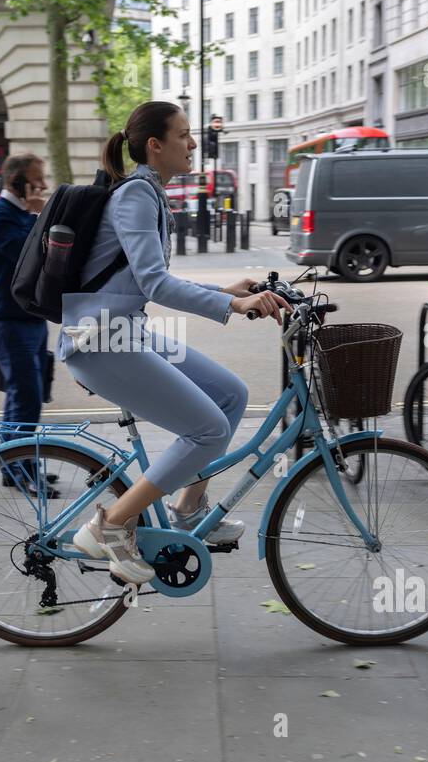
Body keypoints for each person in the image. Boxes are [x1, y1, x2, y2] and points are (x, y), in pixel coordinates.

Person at [64, 100, 292, 584]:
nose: (192, 144)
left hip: (126, 331)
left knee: (231, 394)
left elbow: (149, 279)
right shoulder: (135, 197)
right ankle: (112, 524)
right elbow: (155, 284)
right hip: (101, 341)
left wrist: (223, 291)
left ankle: (188, 509)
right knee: (207, 429)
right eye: (184, 135)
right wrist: (234, 306)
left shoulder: (148, 194)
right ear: (155, 145)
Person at [0, 153, 53, 493]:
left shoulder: (17, 213)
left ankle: (16, 466)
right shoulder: (0, 213)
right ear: (18, 183)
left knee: (23, 398)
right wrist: (37, 215)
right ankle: (22, 470)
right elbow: (26, 252)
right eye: (36, 181)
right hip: (10, 323)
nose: (41, 187)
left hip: (30, 318)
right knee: (26, 398)